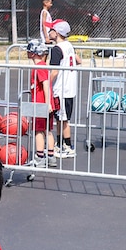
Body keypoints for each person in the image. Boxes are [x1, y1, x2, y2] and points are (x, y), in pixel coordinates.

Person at [46, 19, 79, 158]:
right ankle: (59, 144)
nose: (49, 32)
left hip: (62, 88)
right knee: (60, 118)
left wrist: (46, 83)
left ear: (57, 32)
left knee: (64, 119)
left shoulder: (57, 49)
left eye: (51, 30)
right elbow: (79, 60)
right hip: (69, 87)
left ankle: (68, 146)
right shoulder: (69, 45)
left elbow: (55, 71)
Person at [23, 40, 58, 167]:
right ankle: (50, 156)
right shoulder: (40, 66)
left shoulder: (40, 67)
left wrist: (47, 103)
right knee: (46, 130)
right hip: (43, 103)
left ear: (34, 53)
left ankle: (40, 157)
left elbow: (46, 84)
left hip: (41, 103)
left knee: (38, 130)